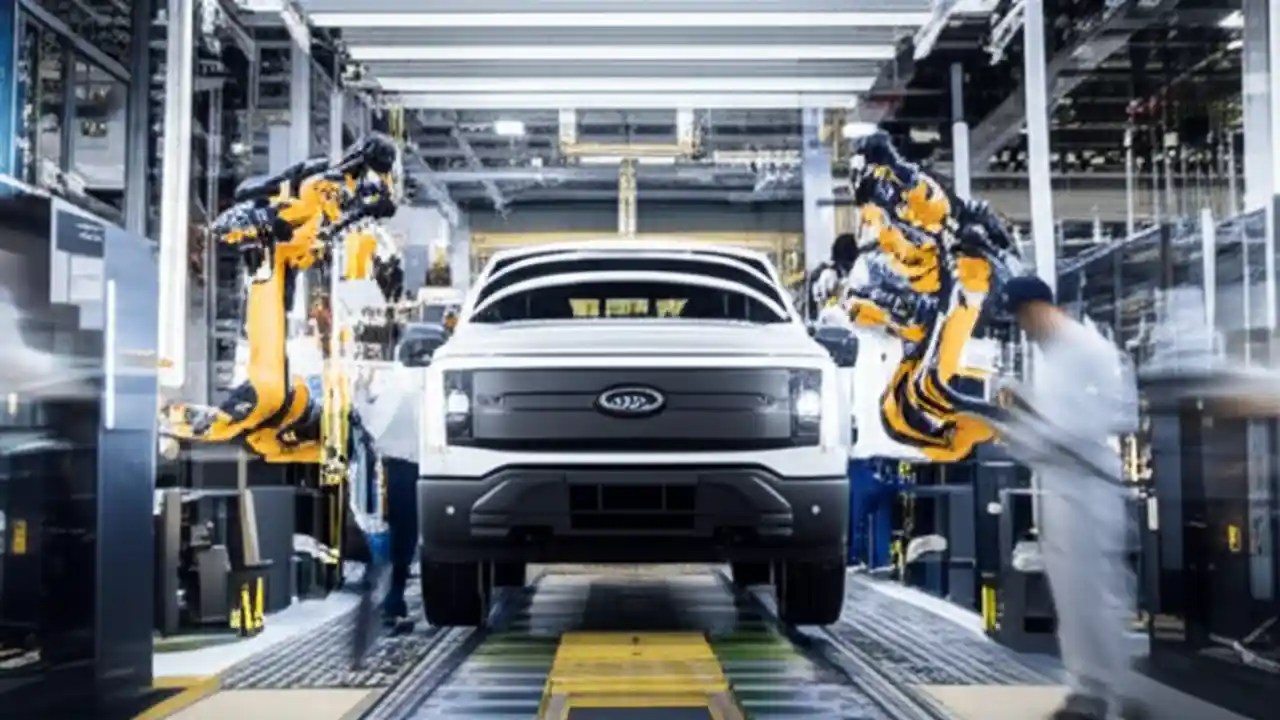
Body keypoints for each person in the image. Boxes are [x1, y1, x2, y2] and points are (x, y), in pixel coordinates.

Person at [994, 275, 1146, 720]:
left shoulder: (1089, 349)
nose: (1024, 329)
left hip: (1088, 484)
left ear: (1038, 308)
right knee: (1070, 593)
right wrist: (1022, 413)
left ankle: (1112, 693)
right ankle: (1086, 689)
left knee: (1095, 593)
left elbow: (1110, 416)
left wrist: (1030, 428)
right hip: (1060, 485)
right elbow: (1052, 420)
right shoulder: (1054, 355)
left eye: (1023, 319)